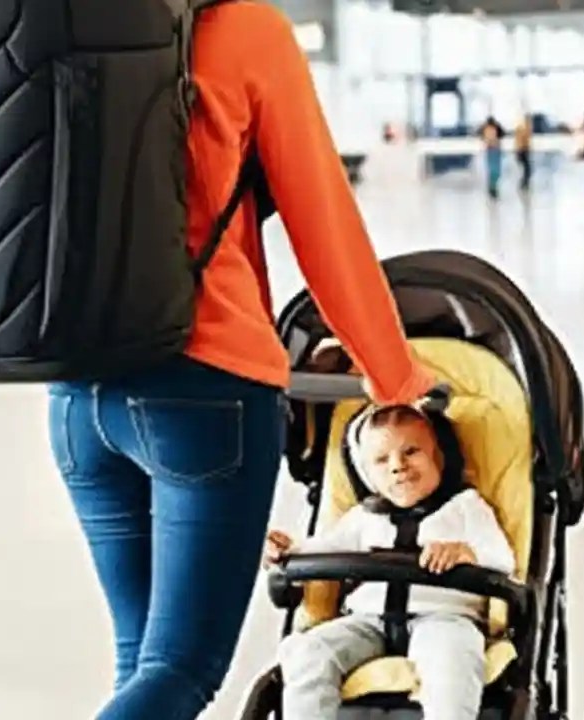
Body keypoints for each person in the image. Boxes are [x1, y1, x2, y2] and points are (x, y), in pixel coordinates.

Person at [46, 4, 437, 719]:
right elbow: (323, 219)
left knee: (142, 666)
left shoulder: (62, 20)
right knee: (180, 670)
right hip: (205, 392)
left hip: (77, 397)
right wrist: (395, 375)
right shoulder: (247, 31)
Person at [266, 404, 516, 720]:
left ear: (439, 455)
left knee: (453, 659)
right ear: (365, 472)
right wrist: (289, 549)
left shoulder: (465, 507)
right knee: (310, 652)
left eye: (411, 451)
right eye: (382, 460)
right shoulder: (363, 517)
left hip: (443, 618)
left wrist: (467, 553)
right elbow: (322, 551)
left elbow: (504, 561)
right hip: (368, 622)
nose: (397, 466)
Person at [480, 116, 506, 199]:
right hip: (491, 149)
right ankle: (492, 189)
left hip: (495, 149)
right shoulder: (485, 128)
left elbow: (502, 133)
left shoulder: (494, 128)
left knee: (496, 171)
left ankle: (493, 188)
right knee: (493, 170)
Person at [514, 114, 534, 191]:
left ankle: (524, 184)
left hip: (523, 151)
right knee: (527, 169)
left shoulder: (525, 129)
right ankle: (523, 185)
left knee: (527, 170)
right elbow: (521, 142)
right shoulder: (522, 129)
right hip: (522, 151)